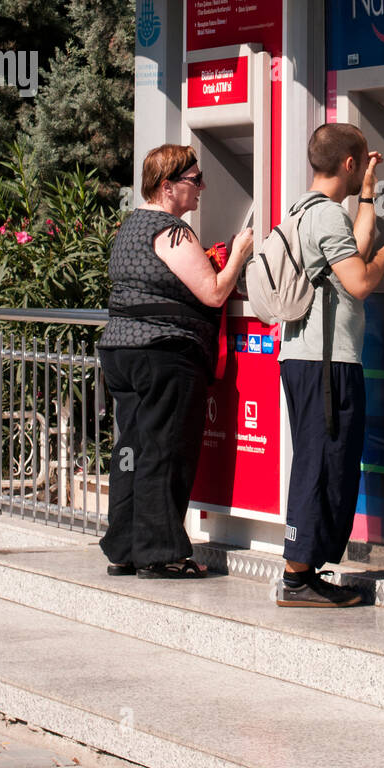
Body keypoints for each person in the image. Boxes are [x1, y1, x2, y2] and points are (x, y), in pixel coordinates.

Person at [98, 145, 253, 579]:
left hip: (123, 351)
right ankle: (161, 553)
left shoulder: (131, 225)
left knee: (132, 449)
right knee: (165, 451)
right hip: (164, 353)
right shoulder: (173, 233)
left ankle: (124, 548)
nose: (202, 186)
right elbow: (214, 293)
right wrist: (240, 252)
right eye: (194, 179)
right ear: (167, 187)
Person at [276, 123, 384, 607]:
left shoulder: (303, 209)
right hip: (325, 363)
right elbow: (360, 281)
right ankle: (297, 578)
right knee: (321, 464)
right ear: (348, 163)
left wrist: (367, 195)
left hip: (307, 358)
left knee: (323, 460)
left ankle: (304, 570)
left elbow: (354, 248)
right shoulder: (328, 215)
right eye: (360, 167)